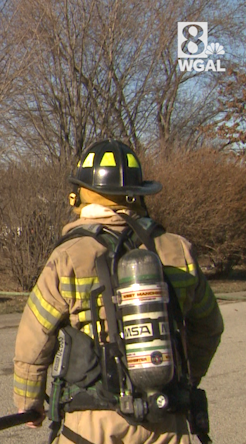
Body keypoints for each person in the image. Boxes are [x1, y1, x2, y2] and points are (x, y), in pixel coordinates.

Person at [12, 140, 224, 443]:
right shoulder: (177, 250)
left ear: (80, 194)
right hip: (166, 417)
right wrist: (187, 378)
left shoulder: (70, 255)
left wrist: (28, 403)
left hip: (92, 421)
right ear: (138, 193)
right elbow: (210, 325)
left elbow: (33, 340)